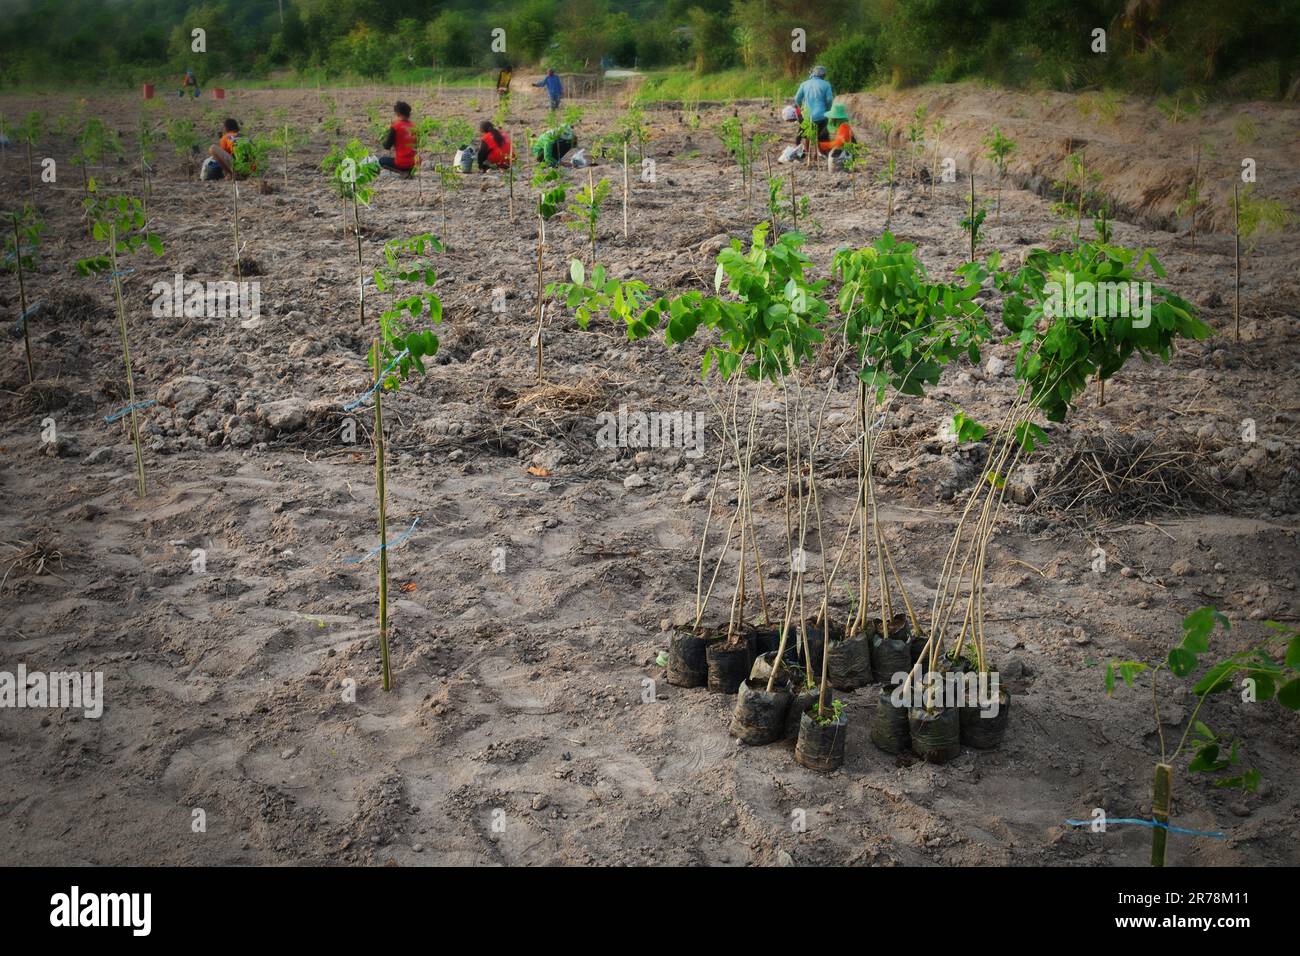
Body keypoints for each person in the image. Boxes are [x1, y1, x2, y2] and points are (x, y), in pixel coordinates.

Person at [793, 65, 833, 146]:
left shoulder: (804, 84)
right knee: (822, 134)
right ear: (823, 75)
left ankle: (805, 150)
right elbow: (829, 100)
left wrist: (801, 108)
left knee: (807, 133)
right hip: (821, 116)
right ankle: (821, 151)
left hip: (808, 116)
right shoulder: (826, 84)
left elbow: (797, 99)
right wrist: (828, 110)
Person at [378, 101, 417, 175]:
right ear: (409, 114)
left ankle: (402, 172)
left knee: (381, 160)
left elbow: (386, 146)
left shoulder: (396, 126)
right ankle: (409, 171)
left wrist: (384, 138)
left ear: (398, 113)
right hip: (414, 163)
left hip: (401, 163)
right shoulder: (414, 126)